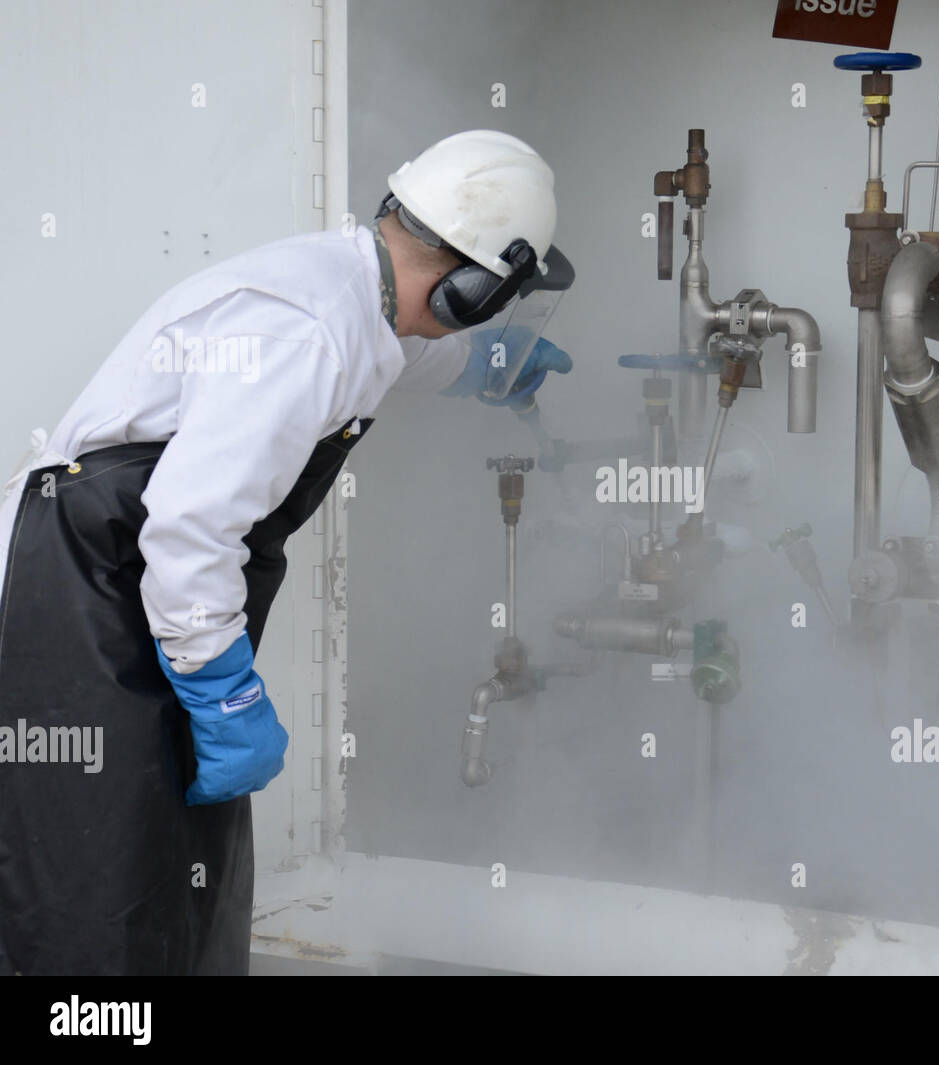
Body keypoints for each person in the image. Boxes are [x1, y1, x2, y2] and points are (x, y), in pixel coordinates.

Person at [0, 129, 572, 975]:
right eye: (502, 305)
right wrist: (221, 690)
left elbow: (389, 354)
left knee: (176, 861)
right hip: (92, 584)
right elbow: (189, 527)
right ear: (476, 288)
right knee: (99, 875)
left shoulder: (354, 293)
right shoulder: (308, 333)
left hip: (133, 586)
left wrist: (480, 365)